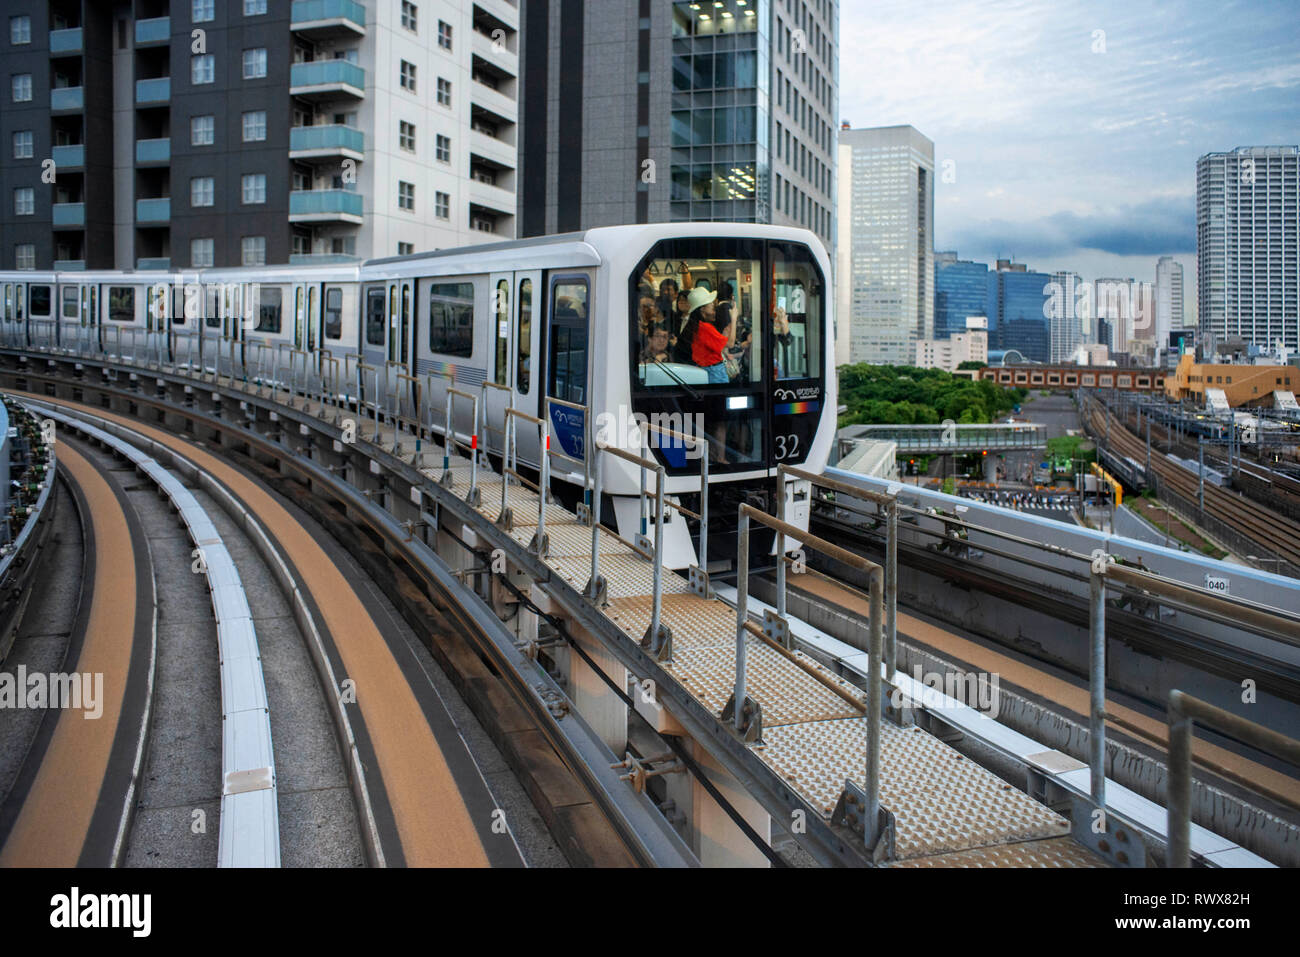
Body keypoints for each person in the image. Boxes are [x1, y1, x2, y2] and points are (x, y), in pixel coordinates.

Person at [688, 288, 731, 384]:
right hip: (715, 371)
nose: (712, 304)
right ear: (702, 308)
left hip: (705, 369)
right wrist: (734, 318)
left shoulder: (696, 326)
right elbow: (730, 344)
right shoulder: (705, 328)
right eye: (709, 302)